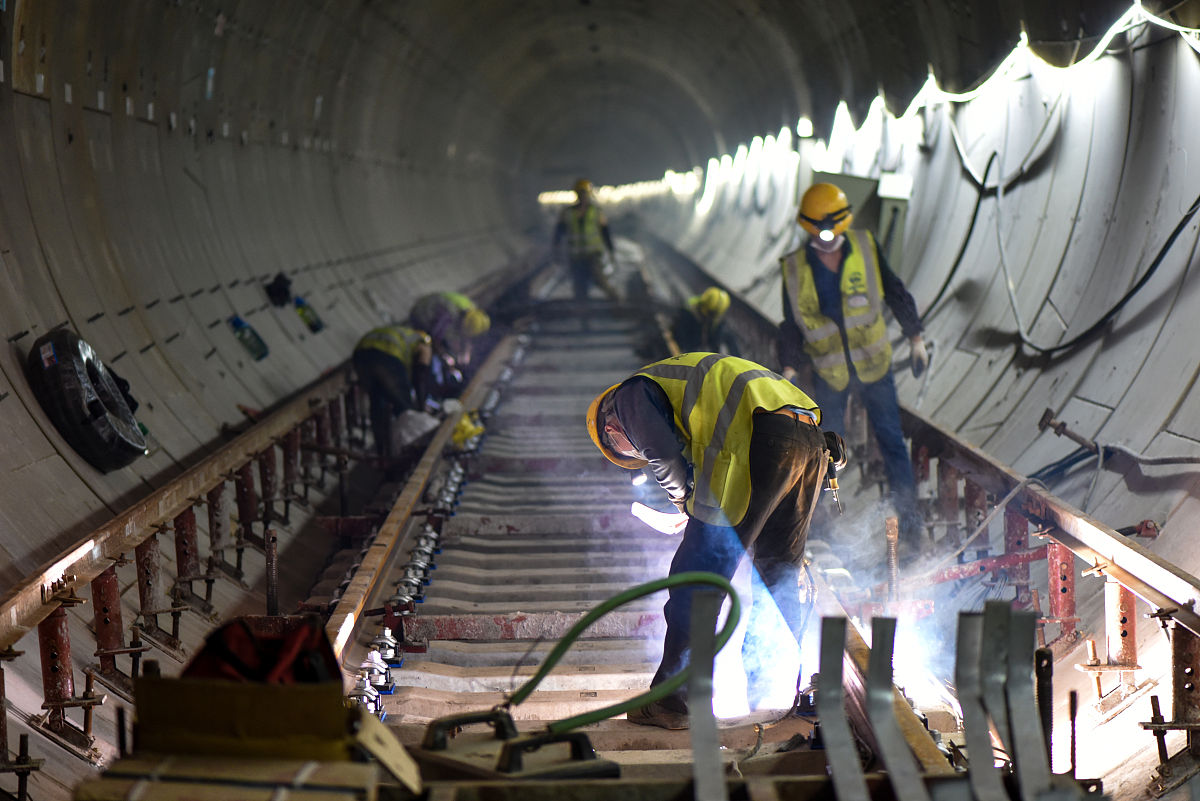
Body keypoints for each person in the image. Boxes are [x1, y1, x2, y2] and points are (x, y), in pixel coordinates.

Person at [585, 352, 835, 729]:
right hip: (810, 439)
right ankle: (772, 691)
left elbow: (662, 455)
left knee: (695, 578)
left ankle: (671, 700)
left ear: (610, 429)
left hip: (755, 440)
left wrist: (682, 500)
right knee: (778, 574)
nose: (632, 453)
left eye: (625, 451)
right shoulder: (682, 388)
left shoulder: (627, 397)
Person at [777, 182, 929, 547]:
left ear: (845, 223)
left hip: (873, 366)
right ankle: (822, 527)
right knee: (825, 449)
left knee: (892, 441)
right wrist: (789, 369)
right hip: (830, 373)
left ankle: (911, 525)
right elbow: (790, 324)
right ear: (808, 227)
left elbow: (894, 289)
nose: (828, 238)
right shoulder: (795, 268)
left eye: (834, 229)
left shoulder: (865, 246)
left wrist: (916, 337)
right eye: (820, 230)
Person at [352, 325, 433, 457]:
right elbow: (421, 374)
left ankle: (382, 452)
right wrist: (421, 406)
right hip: (386, 355)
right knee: (405, 408)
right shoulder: (423, 343)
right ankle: (410, 450)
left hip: (361, 355)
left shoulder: (402, 334)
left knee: (377, 400)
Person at [552, 178, 621, 302]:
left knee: (602, 282)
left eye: (585, 193)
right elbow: (559, 232)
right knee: (579, 288)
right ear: (577, 194)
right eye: (581, 193)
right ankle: (583, 314)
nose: (583, 196)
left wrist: (610, 250)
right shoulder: (568, 213)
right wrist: (556, 249)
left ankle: (618, 305)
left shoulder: (596, 212)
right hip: (576, 257)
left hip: (593, 256)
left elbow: (605, 232)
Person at [408, 292, 490, 391]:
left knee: (450, 339)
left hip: (437, 309)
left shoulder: (471, 311)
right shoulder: (447, 316)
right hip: (421, 314)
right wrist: (445, 356)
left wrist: (465, 351)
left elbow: (467, 336)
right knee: (428, 346)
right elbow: (434, 339)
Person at [671, 287, 740, 356]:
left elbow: (715, 336)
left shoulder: (717, 317)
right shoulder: (688, 311)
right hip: (691, 333)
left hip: (705, 332)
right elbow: (682, 332)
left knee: (727, 335)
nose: (711, 316)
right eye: (710, 313)